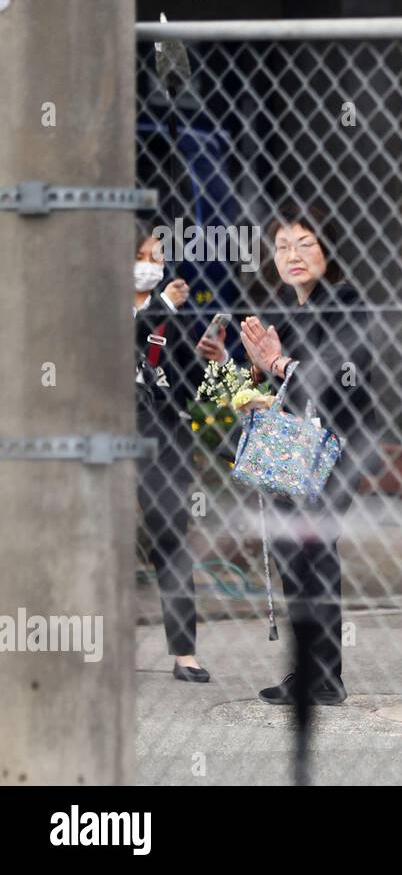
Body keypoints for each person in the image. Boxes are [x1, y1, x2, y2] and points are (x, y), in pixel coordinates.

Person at [238, 206, 375, 707]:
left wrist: (277, 361)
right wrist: (255, 375)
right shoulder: (289, 308)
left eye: (305, 244)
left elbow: (342, 375)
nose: (292, 256)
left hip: (335, 451)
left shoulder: (343, 302)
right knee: (300, 556)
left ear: (328, 251)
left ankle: (322, 675)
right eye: (282, 247)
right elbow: (289, 383)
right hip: (297, 450)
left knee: (313, 555)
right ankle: (312, 672)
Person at [133, 229, 210, 683]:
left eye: (157, 258)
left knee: (172, 543)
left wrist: (208, 357)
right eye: (141, 256)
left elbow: (189, 385)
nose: (149, 264)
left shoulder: (173, 317)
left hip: (163, 438)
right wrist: (162, 306)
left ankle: (184, 652)